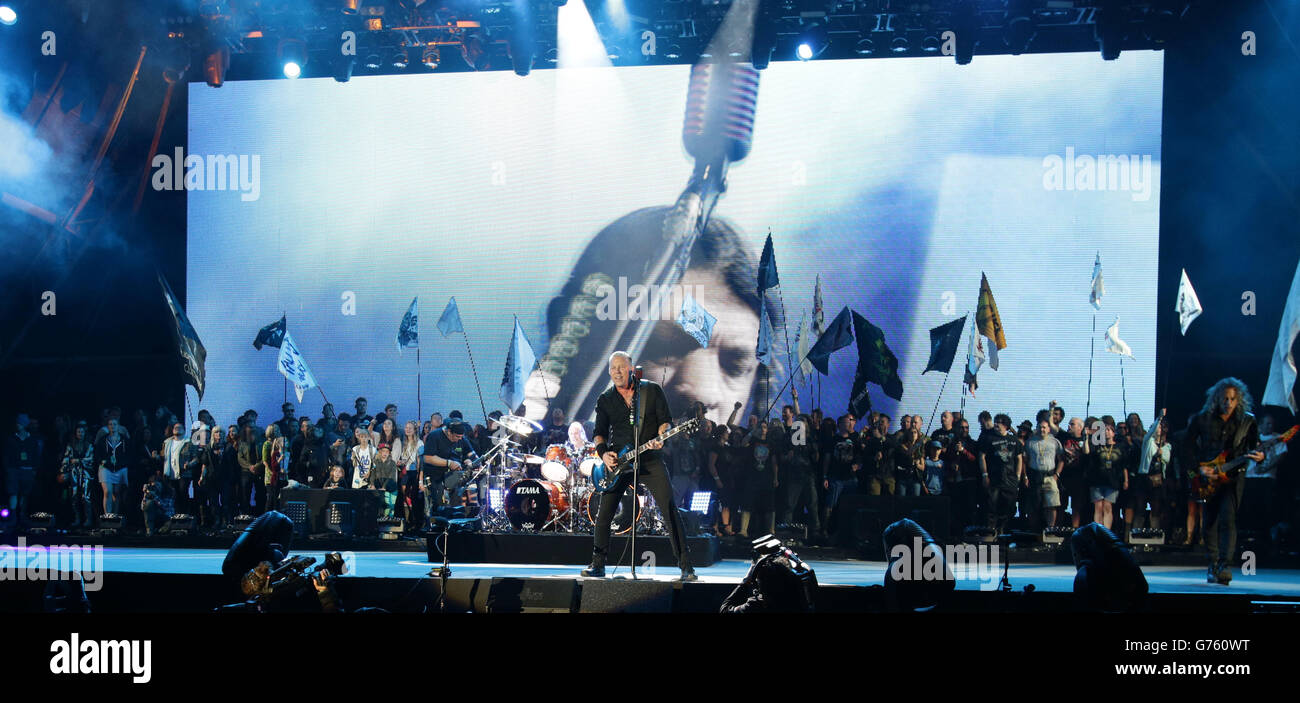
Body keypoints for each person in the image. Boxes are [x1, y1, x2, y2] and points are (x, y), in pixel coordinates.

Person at [581, 351, 696, 581]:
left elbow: (665, 421)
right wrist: (604, 456)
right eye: (613, 368)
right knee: (604, 514)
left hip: (650, 459)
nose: (616, 372)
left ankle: (686, 566)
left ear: (631, 369)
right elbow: (599, 433)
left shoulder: (651, 391)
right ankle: (598, 563)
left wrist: (662, 435)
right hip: (619, 463)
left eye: (621, 367)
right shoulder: (605, 399)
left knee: (669, 509)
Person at [1182, 378, 1263, 585]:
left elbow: (1256, 447)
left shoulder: (1247, 421)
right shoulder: (1202, 419)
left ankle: (1224, 565)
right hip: (1208, 478)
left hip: (1234, 476)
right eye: (1225, 398)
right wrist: (1198, 469)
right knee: (1209, 522)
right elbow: (1186, 448)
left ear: (1239, 400)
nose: (1228, 402)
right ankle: (1213, 563)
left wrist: (1261, 456)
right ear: (1217, 398)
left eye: (1232, 399)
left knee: (1228, 519)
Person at [420, 420, 478, 527]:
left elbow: (471, 454)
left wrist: (470, 460)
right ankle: (438, 530)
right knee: (440, 507)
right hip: (436, 476)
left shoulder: (461, 438)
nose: (459, 439)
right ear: (448, 432)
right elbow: (427, 458)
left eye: (461, 436)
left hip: (454, 477)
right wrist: (448, 463)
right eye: (456, 436)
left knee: (456, 506)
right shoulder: (434, 436)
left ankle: (455, 528)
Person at [779, 413, 822, 540]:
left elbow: (816, 458)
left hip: (808, 474)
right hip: (793, 474)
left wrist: (813, 449)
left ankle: (815, 530)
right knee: (790, 504)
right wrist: (788, 457)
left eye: (802, 421)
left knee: (812, 503)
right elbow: (782, 456)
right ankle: (786, 529)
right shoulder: (788, 437)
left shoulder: (811, 437)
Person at [979, 414, 1023, 533]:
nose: (997, 424)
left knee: (1009, 506)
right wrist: (985, 475)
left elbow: (1019, 458)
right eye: (996, 421)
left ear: (1007, 426)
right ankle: (991, 532)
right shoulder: (989, 438)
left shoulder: (1014, 440)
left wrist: (1018, 476)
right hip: (994, 478)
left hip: (1010, 479)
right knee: (991, 506)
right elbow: (982, 456)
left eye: (1000, 422)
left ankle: (1003, 531)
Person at [1127, 409, 1170, 531]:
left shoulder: (1166, 446)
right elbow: (1150, 432)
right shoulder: (1148, 441)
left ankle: (1155, 535)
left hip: (1157, 480)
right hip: (1144, 478)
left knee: (1156, 508)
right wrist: (1159, 418)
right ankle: (1135, 534)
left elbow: (1167, 459)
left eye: (1159, 428)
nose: (1156, 429)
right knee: (1140, 507)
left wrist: (1161, 453)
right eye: (1154, 427)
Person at [822, 415, 860, 531]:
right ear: (840, 425)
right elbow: (827, 459)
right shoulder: (833, 440)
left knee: (850, 505)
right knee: (830, 505)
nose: (849, 424)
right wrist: (825, 476)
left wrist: (857, 466)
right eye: (846, 422)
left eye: (850, 422)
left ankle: (847, 531)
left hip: (850, 478)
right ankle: (825, 529)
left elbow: (859, 457)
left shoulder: (854, 439)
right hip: (836, 477)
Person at [1024, 418, 1064, 529]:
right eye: (1040, 427)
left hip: (1050, 476)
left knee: (1052, 504)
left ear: (1049, 429)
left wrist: (1057, 475)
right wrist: (1025, 476)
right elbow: (1024, 460)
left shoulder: (1055, 442)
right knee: (1033, 505)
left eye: (1044, 427)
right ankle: (1033, 529)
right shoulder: (1030, 442)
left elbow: (1061, 459)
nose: (1042, 429)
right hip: (1034, 476)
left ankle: (1050, 529)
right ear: (1036, 428)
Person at [1087, 422, 1128, 531]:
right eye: (1105, 430)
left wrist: (1126, 480)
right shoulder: (1097, 446)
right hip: (1097, 480)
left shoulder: (1120, 447)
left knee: (1107, 506)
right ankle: (1098, 531)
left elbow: (1124, 465)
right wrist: (1087, 437)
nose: (1106, 432)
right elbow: (1088, 453)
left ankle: (1106, 531)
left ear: (1114, 433)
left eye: (1109, 430)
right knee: (1098, 507)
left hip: (1112, 481)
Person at [4, 414, 41, 528]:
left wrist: (34, 469)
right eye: (17, 423)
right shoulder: (11, 439)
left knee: (25, 494)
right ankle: (13, 516)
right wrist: (8, 469)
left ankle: (22, 515)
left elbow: (36, 456)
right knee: (13, 492)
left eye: (20, 423)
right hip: (14, 470)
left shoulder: (32, 440)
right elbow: (6, 456)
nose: (18, 425)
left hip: (28, 470)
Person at [93, 418, 130, 517]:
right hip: (106, 468)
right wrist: (103, 461)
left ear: (118, 426)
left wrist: (120, 463)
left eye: (114, 424)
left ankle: (115, 516)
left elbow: (128, 454)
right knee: (108, 491)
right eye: (110, 424)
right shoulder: (103, 439)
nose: (112, 426)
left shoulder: (124, 440)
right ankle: (107, 515)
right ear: (108, 426)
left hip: (120, 468)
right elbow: (98, 454)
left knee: (117, 493)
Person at [394, 421, 424, 528]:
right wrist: (400, 462)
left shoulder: (419, 443)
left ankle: (416, 521)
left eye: (410, 428)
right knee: (403, 496)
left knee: (414, 497)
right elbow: (403, 458)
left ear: (415, 430)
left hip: (414, 472)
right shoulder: (404, 442)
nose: (408, 430)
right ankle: (406, 520)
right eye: (406, 427)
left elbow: (421, 461)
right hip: (405, 472)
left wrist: (419, 477)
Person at [369, 444, 400, 518]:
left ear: (389, 453)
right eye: (383, 451)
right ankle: (382, 520)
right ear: (379, 452)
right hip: (379, 487)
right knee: (382, 505)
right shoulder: (375, 462)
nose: (385, 453)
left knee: (390, 505)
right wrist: (372, 484)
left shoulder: (392, 463)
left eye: (387, 451)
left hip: (390, 487)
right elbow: (373, 474)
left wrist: (384, 487)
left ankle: (390, 521)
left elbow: (391, 476)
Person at [348, 426, 376, 490]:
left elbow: (375, 464)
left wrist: (370, 472)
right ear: (359, 438)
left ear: (369, 438)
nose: (363, 439)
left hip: (369, 476)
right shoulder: (355, 449)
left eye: (365, 437)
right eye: (361, 437)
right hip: (358, 477)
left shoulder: (373, 450)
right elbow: (353, 464)